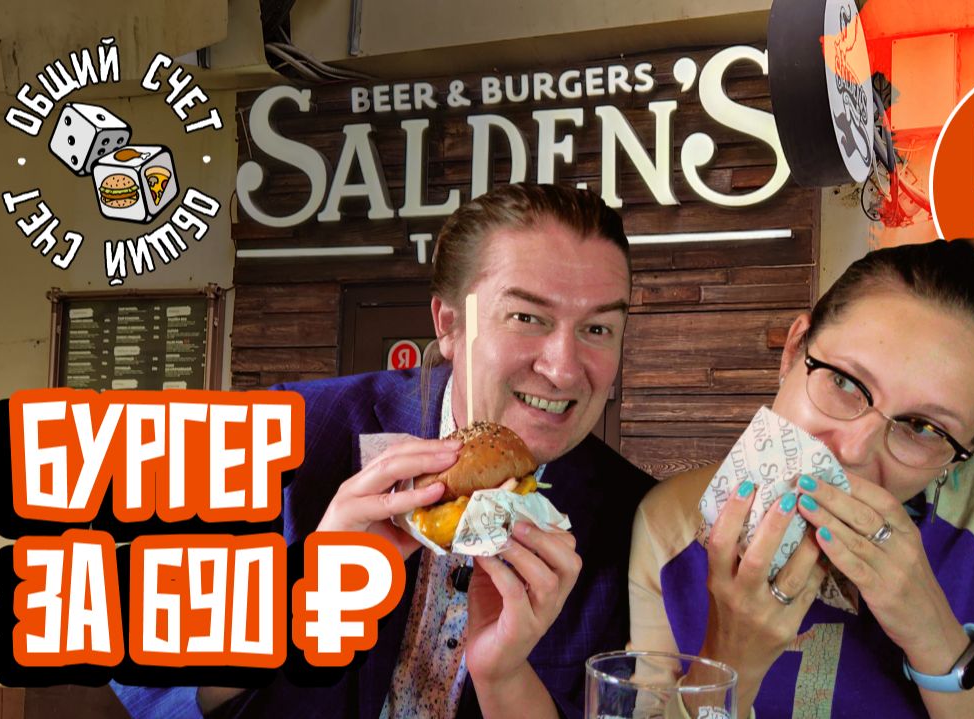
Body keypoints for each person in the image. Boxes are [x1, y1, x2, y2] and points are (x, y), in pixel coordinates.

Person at [112, 182, 654, 718]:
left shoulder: (638, 523)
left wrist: (505, 679)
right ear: (449, 326)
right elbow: (148, 691)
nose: (563, 369)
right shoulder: (278, 434)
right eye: (526, 317)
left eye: (598, 328)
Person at [628, 237, 974, 718]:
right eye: (844, 381)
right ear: (794, 351)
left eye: (923, 428)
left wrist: (935, 638)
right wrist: (730, 663)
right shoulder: (672, 521)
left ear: (962, 455)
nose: (852, 449)